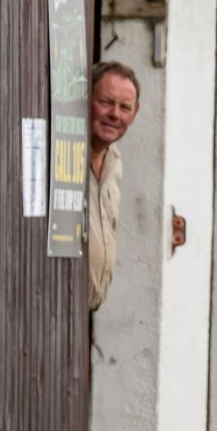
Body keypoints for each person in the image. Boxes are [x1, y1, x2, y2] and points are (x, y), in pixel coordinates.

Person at [87, 61, 140, 311]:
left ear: (135, 113)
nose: (115, 114)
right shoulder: (64, 154)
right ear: (87, 98)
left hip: (83, 315)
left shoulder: (115, 162)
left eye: (125, 107)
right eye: (106, 102)